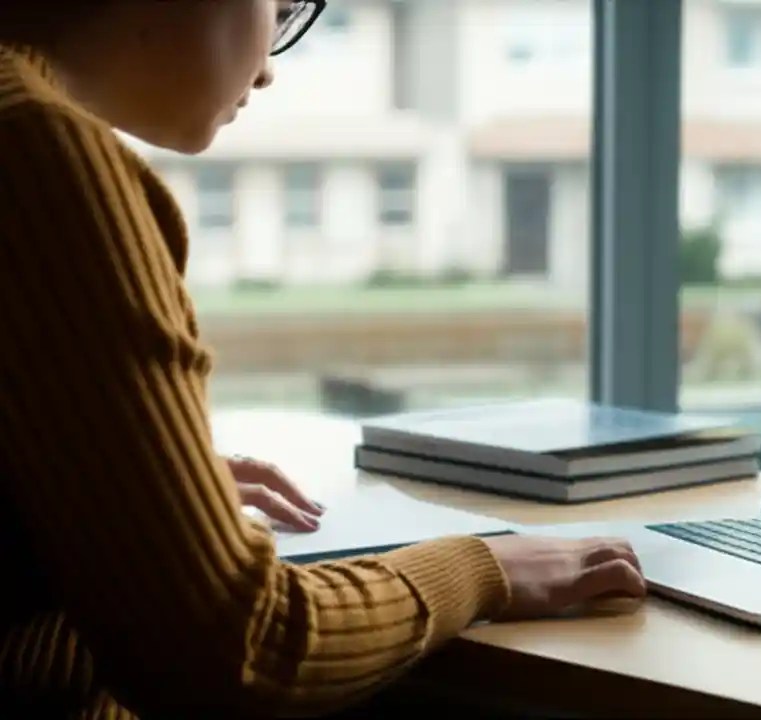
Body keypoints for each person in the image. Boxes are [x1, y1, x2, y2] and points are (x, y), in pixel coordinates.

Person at [0, 3, 644, 717]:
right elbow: (242, 649)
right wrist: (482, 566)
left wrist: (134, 497)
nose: (270, 68)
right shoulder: (39, 156)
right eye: (277, 10)